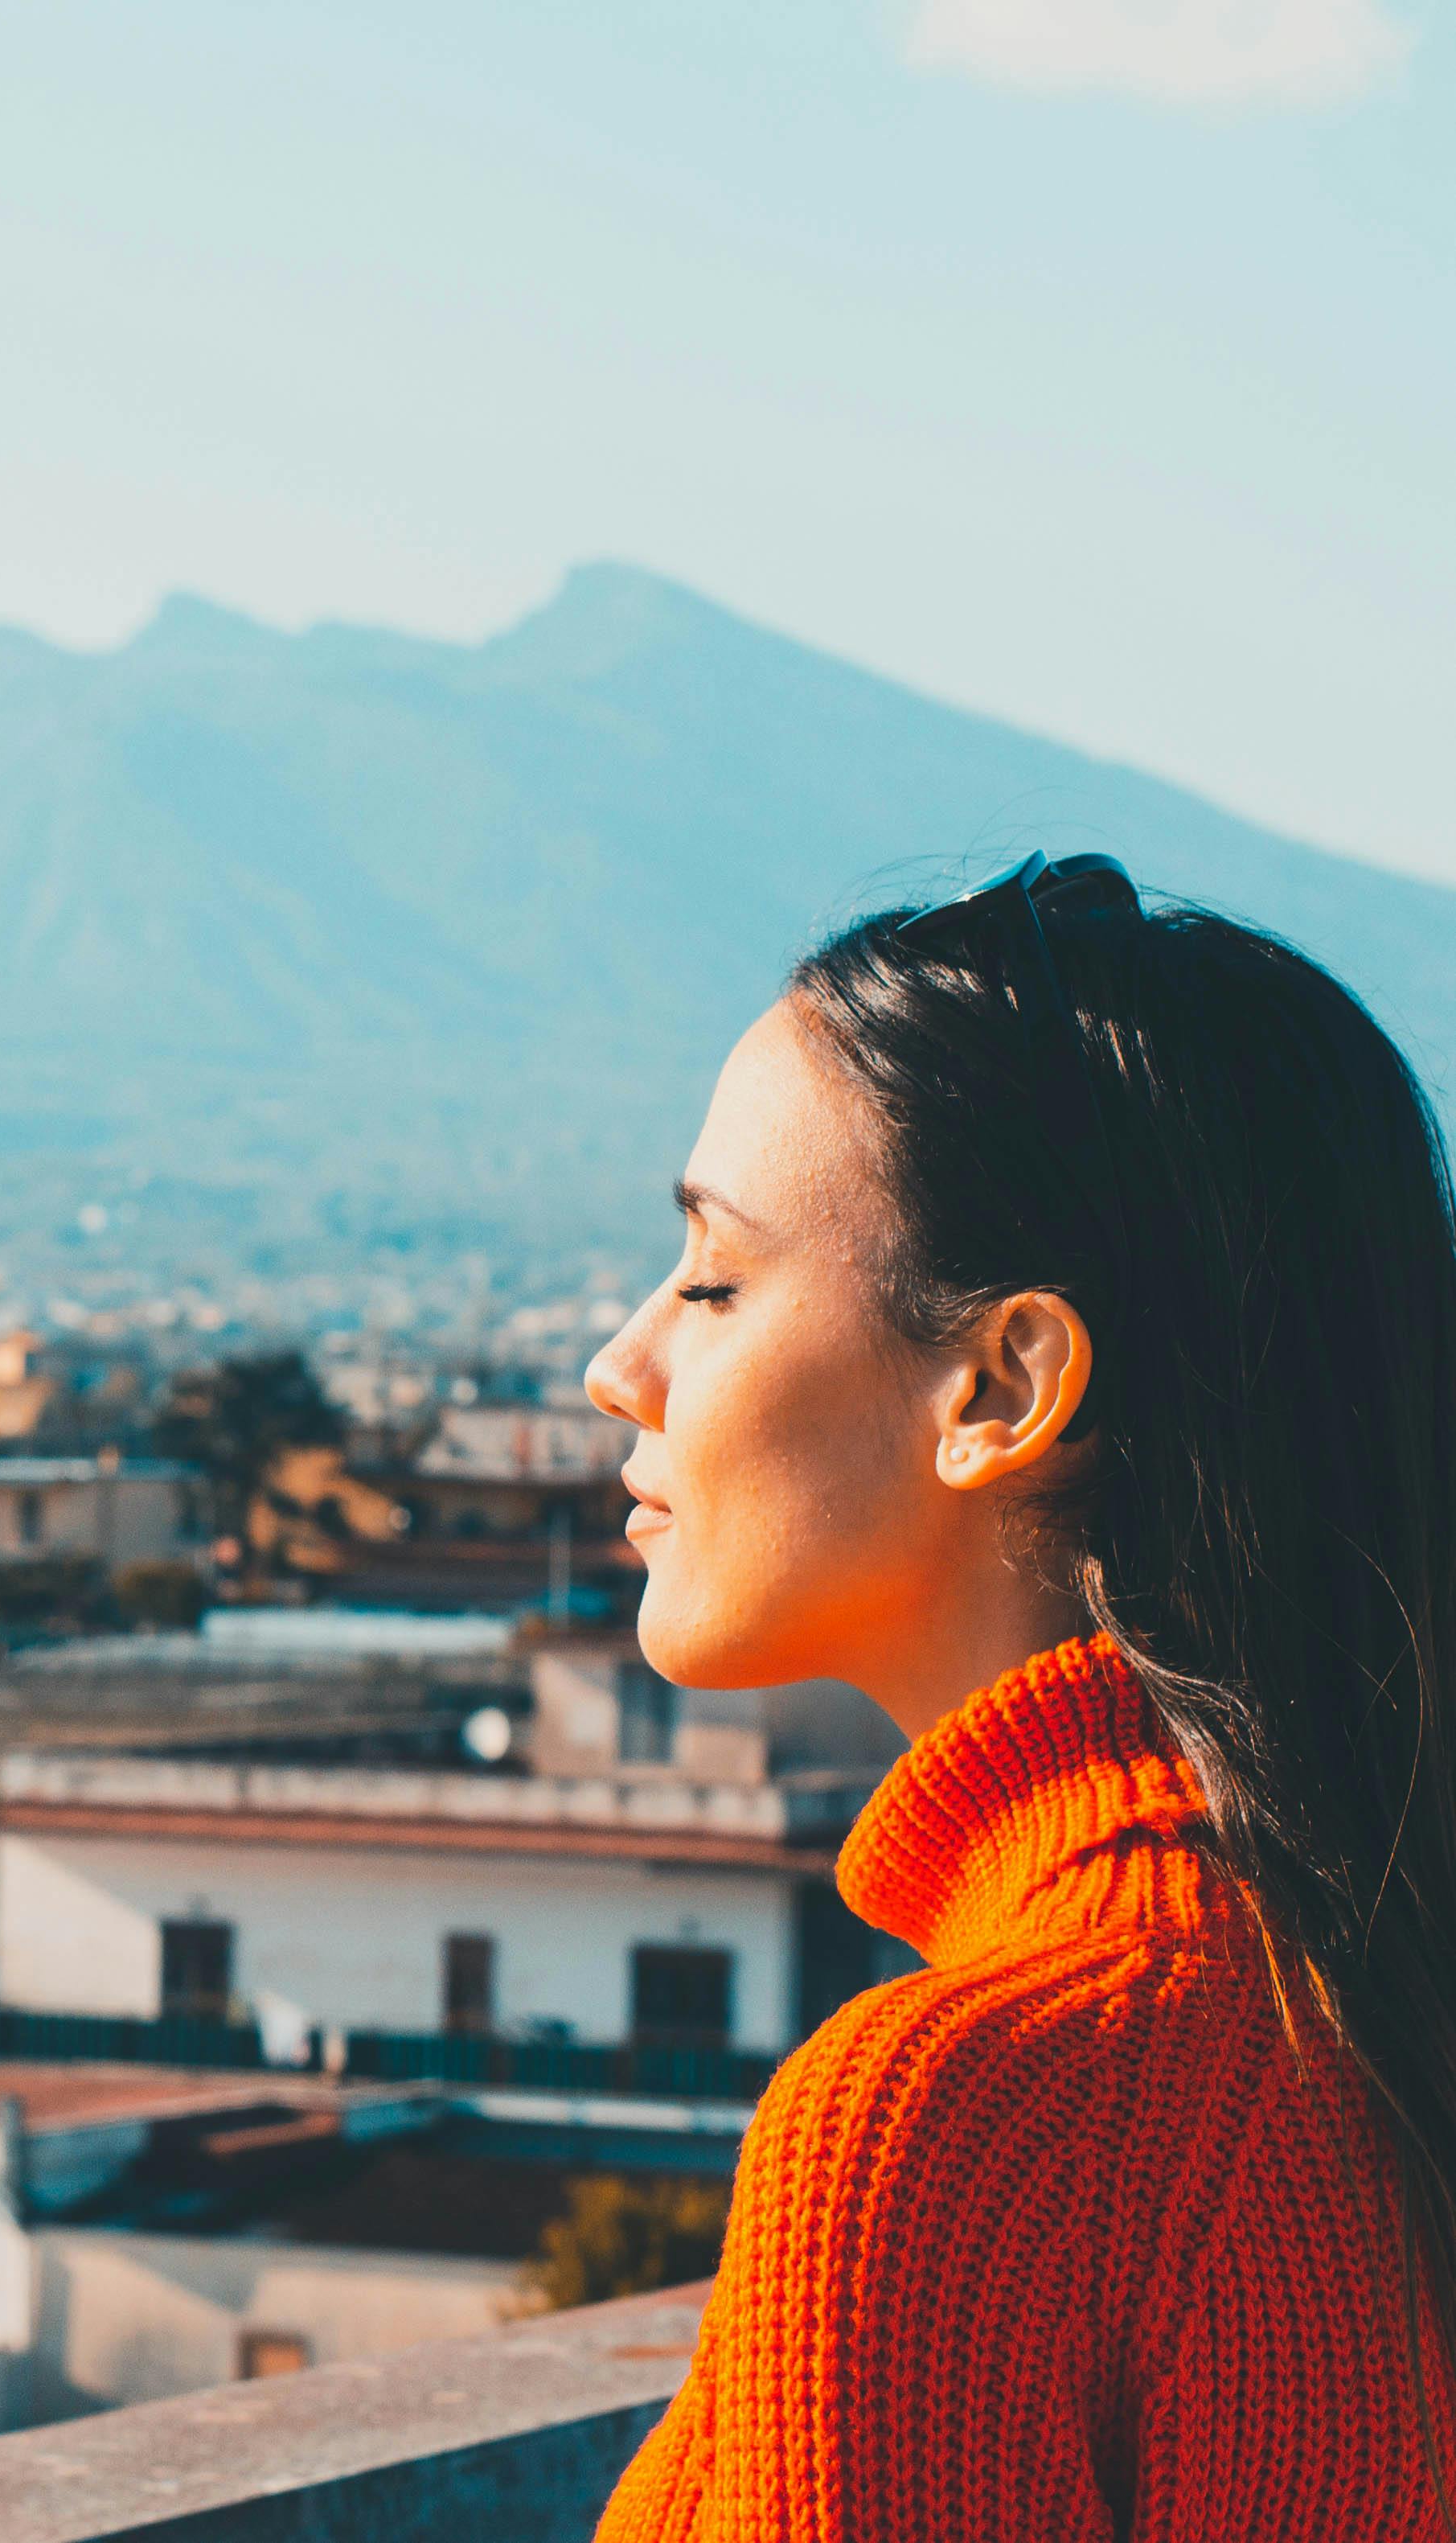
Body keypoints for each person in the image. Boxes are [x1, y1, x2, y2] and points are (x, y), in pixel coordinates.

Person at [584, 854, 1456, 2539]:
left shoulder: (953, 2129)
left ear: (1000, 1385)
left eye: (711, 1280)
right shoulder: (1351, 1983)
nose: (623, 1366)